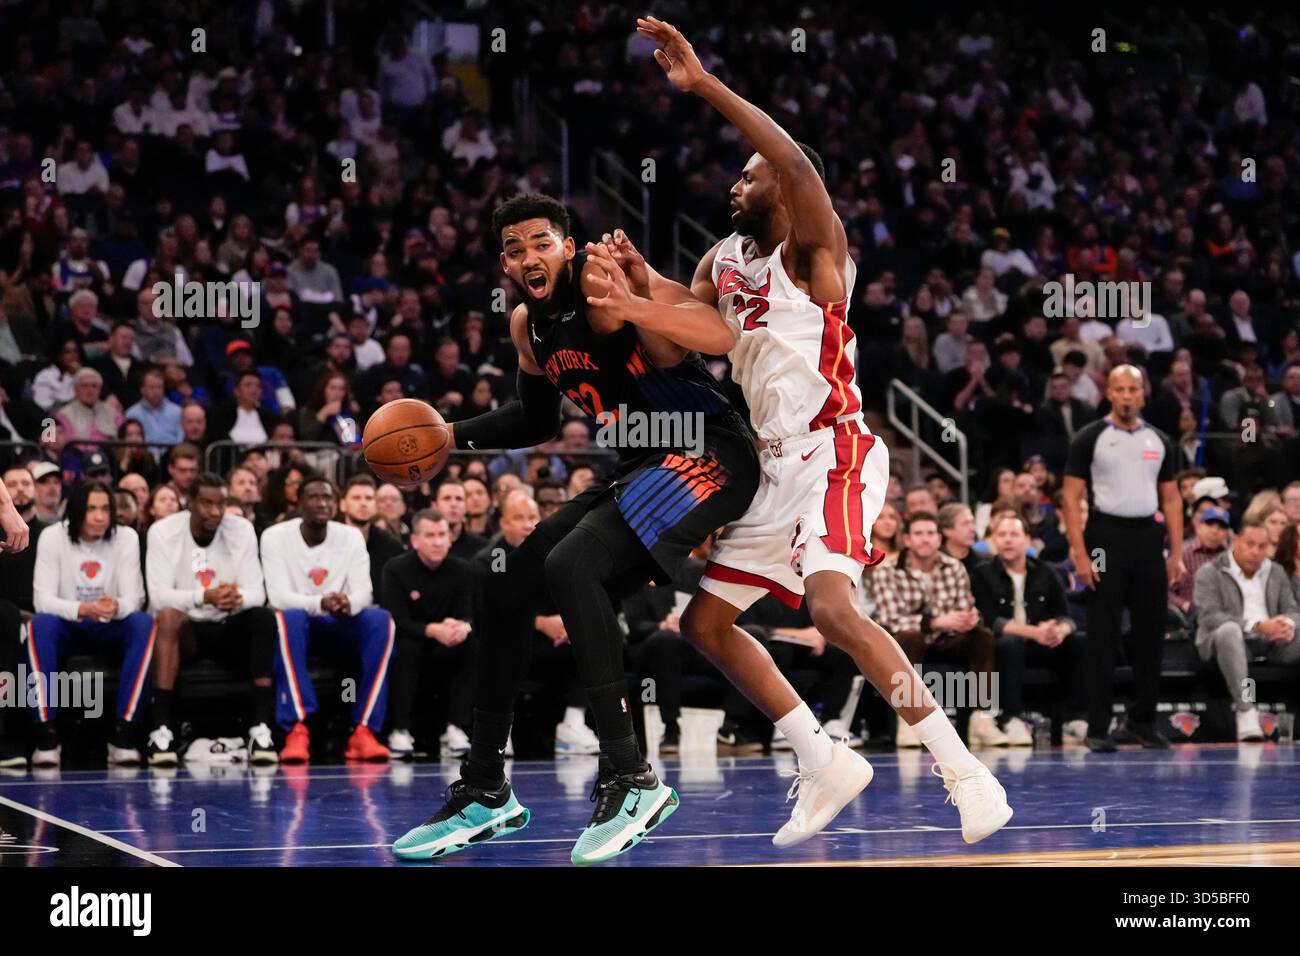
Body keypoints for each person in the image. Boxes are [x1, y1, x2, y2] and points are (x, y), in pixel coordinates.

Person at [587, 16, 1010, 847]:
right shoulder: (721, 261)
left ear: (781, 188)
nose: (734, 189)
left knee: (830, 605)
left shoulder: (817, 248)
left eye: (747, 180)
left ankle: (964, 772)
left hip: (836, 446)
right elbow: (677, 342)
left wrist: (704, 85)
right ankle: (822, 759)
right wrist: (639, 290)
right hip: (771, 464)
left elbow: (788, 158)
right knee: (705, 626)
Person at [391, 190, 760, 866]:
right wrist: (448, 435)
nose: (528, 257)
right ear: (503, 263)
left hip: (709, 450)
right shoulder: (527, 325)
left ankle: (629, 777)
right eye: (514, 248)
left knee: (571, 567)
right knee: (503, 584)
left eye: (540, 241)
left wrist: (629, 291)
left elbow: (685, 344)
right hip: (641, 462)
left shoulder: (599, 281)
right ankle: (485, 788)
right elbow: (534, 420)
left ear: (567, 243)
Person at [1062, 365, 1185, 752]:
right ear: (1109, 393)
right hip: (1104, 536)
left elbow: (1172, 498)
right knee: (1103, 634)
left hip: (1149, 536)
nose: (1128, 395)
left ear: (1143, 394)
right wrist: (1080, 553)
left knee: (1151, 633)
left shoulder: (1161, 439)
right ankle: (1098, 725)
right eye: (1120, 389)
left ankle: (1142, 720)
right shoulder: (1090, 437)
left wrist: (1177, 552)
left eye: (1134, 388)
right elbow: (1070, 497)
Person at [146, 473, 278, 765]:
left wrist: (236, 598)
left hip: (228, 625)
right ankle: (161, 730)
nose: (215, 512)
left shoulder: (241, 529)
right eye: (206, 503)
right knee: (167, 618)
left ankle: (260, 728)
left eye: (221, 504)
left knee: (263, 618)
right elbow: (158, 597)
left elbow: (257, 591)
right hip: (188, 631)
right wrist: (203, 596)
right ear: (189, 502)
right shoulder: (162, 532)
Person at [262, 477, 394, 763]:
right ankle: (296, 729)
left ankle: (364, 730)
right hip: (302, 625)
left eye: (328, 497)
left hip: (340, 622)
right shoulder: (274, 536)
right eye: (314, 496)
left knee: (380, 619)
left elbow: (364, 591)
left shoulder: (351, 536)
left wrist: (349, 603)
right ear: (298, 503)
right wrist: (319, 602)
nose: (322, 503)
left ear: (336, 504)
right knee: (288, 618)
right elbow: (278, 597)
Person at [28, 480, 153, 766]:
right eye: (91, 509)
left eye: (105, 509)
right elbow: (42, 600)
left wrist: (115, 606)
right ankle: (46, 734)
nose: (99, 516)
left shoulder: (127, 537)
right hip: (69, 624)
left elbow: (134, 598)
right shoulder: (52, 536)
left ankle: (124, 732)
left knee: (143, 624)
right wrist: (82, 609)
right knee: (40, 625)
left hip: (109, 624)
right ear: (76, 511)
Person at [971, 513, 1085, 744]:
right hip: (1005, 647)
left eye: (1014, 534)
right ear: (993, 540)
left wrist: (1059, 630)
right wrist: (1035, 632)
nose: (1007, 540)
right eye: (1001, 535)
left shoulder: (1046, 571)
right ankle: (1012, 718)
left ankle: (1075, 718)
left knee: (1078, 641)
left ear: (1027, 540)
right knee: (1009, 644)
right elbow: (991, 621)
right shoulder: (983, 573)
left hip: (1043, 644)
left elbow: (1066, 616)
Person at [1193, 518, 1300, 742]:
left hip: (1274, 643)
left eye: (1262, 547)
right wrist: (1258, 626)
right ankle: (1245, 712)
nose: (1255, 552)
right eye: (1249, 544)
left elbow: (1292, 609)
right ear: (1235, 542)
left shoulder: (1276, 571)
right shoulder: (1209, 572)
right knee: (1229, 630)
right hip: (1230, 642)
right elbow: (1210, 617)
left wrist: (1286, 625)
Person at [382, 508, 476, 760]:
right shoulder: (396, 569)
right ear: (414, 540)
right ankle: (400, 730)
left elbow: (469, 614)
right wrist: (432, 630)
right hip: (412, 641)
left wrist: (461, 627)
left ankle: (456, 728)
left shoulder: (463, 570)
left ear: (450, 538)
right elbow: (397, 620)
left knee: (471, 644)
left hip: (448, 643)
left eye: (442, 534)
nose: (437, 541)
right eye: (430, 535)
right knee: (406, 646)